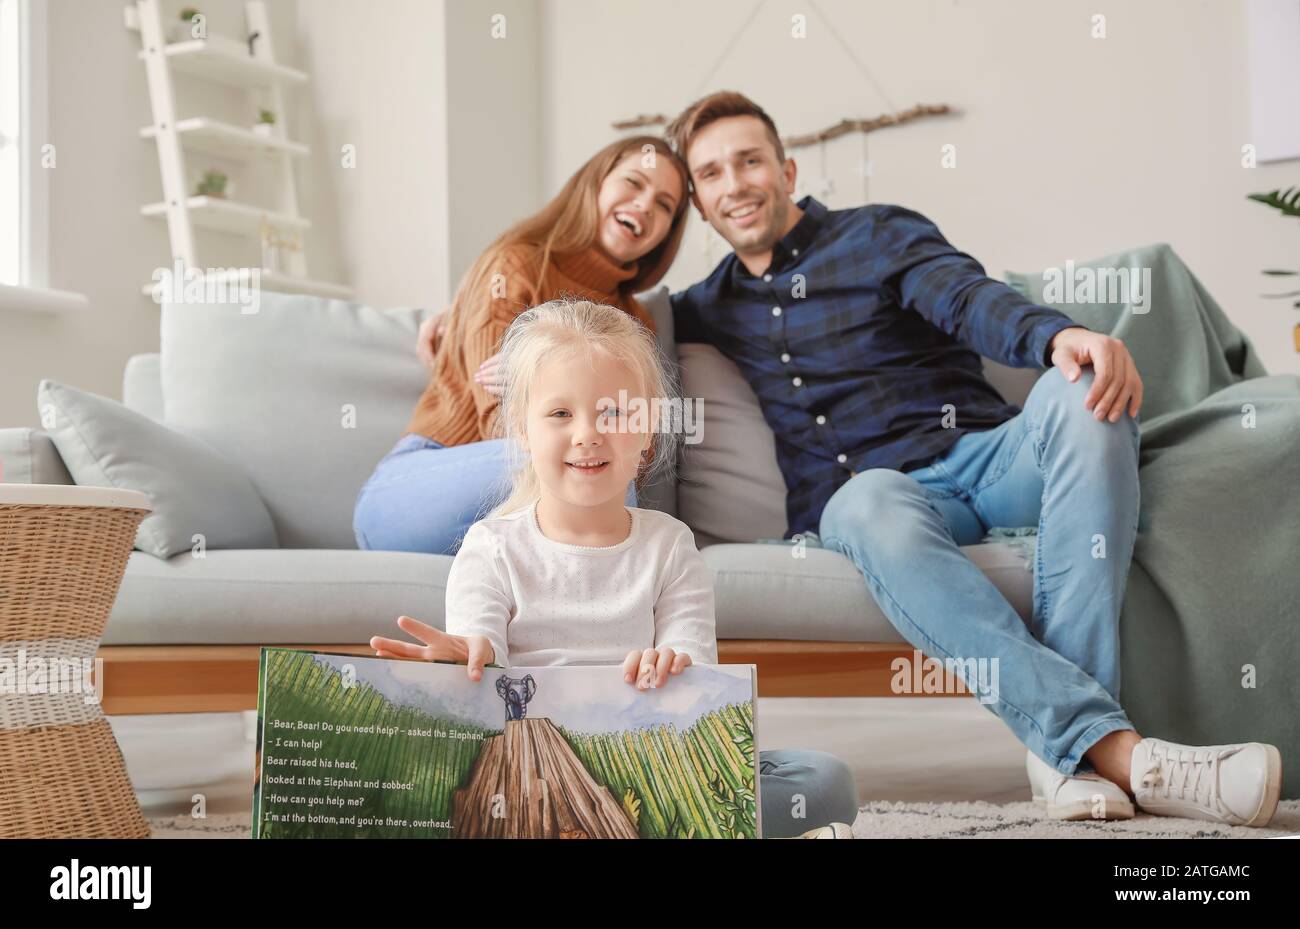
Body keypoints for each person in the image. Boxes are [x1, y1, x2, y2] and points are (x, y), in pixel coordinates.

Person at [650, 90, 1279, 827]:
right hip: (881, 499)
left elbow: (967, 298)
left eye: (750, 160)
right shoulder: (707, 305)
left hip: (990, 458)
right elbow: (609, 304)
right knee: (861, 500)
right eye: (713, 173)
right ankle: (1105, 749)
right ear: (699, 200)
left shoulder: (879, 233)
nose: (735, 184)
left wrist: (1055, 340)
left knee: (1082, 395)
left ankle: (1067, 750)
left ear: (786, 169)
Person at [371, 299, 860, 838]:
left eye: (615, 413)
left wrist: (675, 665)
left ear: (647, 432)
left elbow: (699, 687)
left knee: (824, 779)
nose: (588, 434)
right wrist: (465, 659)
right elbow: (480, 657)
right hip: (530, 783)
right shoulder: (491, 546)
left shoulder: (671, 546)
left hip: (649, 771)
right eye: (560, 414)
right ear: (524, 431)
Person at [353, 135, 690, 555]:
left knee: (604, 474)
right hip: (419, 488)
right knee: (584, 471)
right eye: (634, 183)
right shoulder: (516, 265)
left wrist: (543, 387)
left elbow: (640, 444)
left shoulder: (635, 321)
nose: (644, 205)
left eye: (664, 205)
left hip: (524, 502)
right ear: (594, 185)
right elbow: (499, 419)